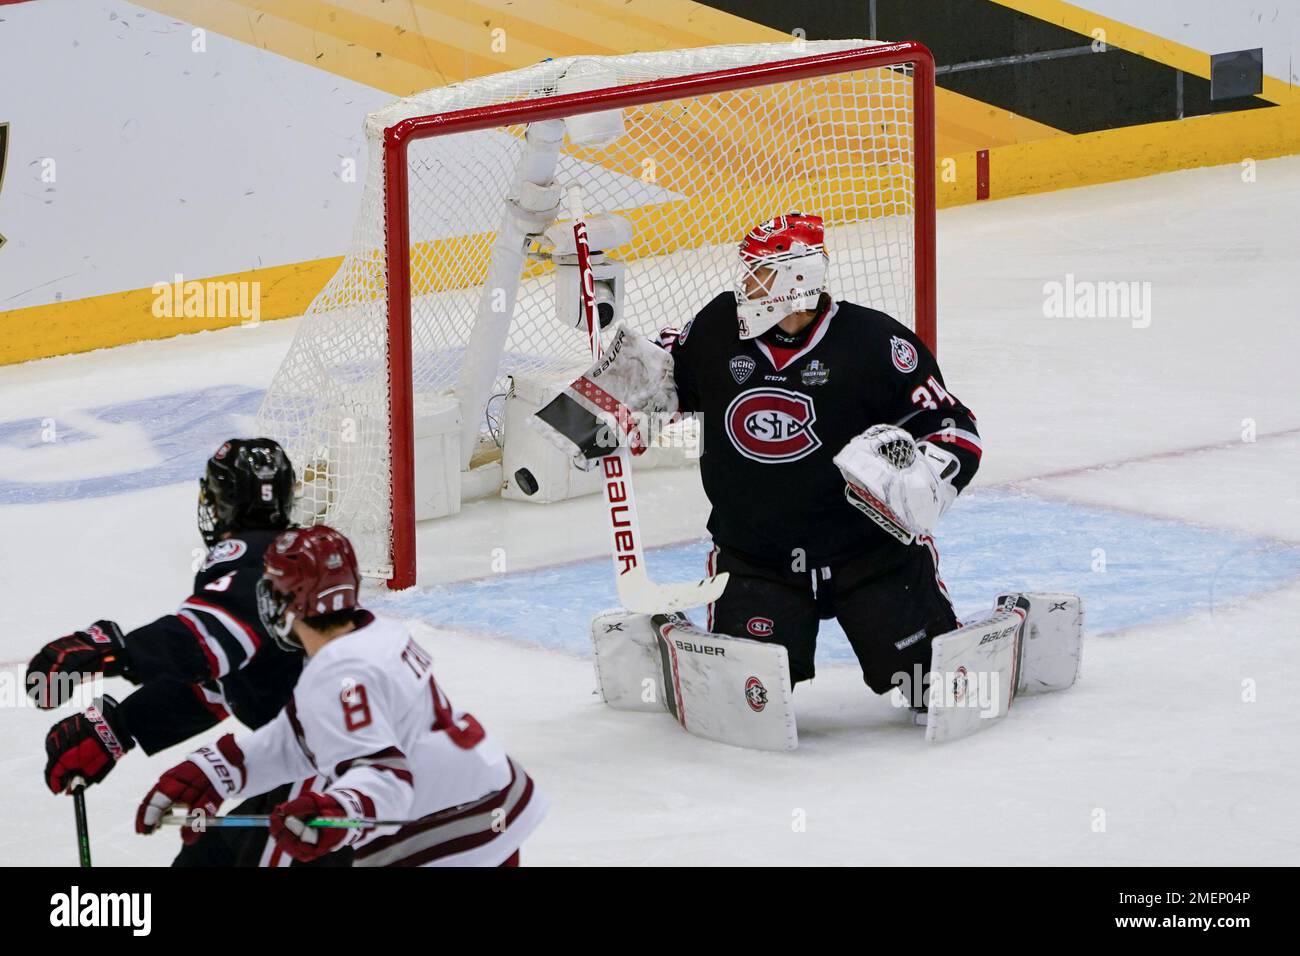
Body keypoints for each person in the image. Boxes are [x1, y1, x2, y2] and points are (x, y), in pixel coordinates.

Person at [136, 525, 546, 866]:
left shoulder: (341, 672)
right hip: (486, 800)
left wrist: (338, 811)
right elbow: (301, 739)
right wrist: (216, 771)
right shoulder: (372, 635)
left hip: (453, 825)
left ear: (290, 601)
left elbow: (385, 776)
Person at [29, 438, 324, 864]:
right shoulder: (296, 557)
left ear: (219, 502)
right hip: (328, 769)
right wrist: (125, 725)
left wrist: (112, 650)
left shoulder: (253, 567)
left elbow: (201, 639)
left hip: (336, 781)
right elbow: (218, 686)